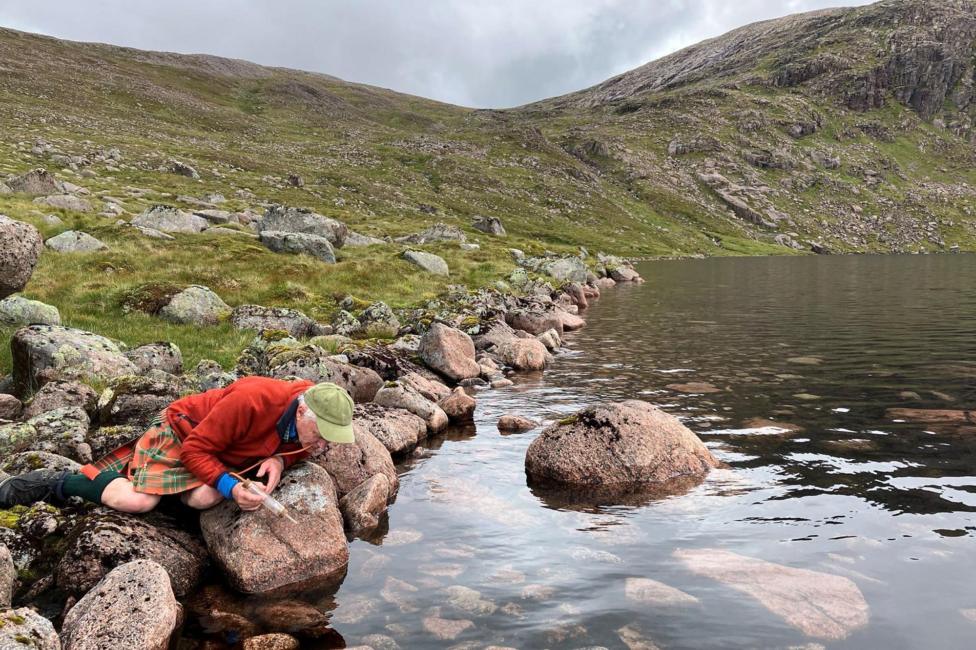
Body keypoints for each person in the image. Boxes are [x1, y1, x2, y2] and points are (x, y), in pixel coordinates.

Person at [0, 377, 355, 513]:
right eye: (320, 434)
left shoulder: (312, 414)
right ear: (302, 410)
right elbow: (195, 450)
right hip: (182, 433)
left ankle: (168, 497)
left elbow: (297, 447)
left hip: (224, 451)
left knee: (205, 498)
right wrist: (231, 484)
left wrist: (278, 460)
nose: (322, 444)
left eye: (329, 437)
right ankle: (59, 481)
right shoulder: (252, 399)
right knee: (137, 501)